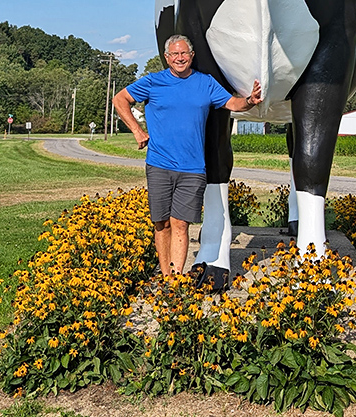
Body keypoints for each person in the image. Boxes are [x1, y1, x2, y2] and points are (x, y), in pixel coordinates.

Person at [112, 35, 262, 277]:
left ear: (192, 56)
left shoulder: (206, 83)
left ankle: (175, 279)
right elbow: (120, 99)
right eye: (175, 54)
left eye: (184, 54)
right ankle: (166, 277)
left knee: (181, 224)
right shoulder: (153, 82)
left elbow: (233, 104)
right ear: (167, 58)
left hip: (193, 169)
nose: (180, 58)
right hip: (159, 165)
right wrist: (137, 131)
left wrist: (250, 101)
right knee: (161, 224)